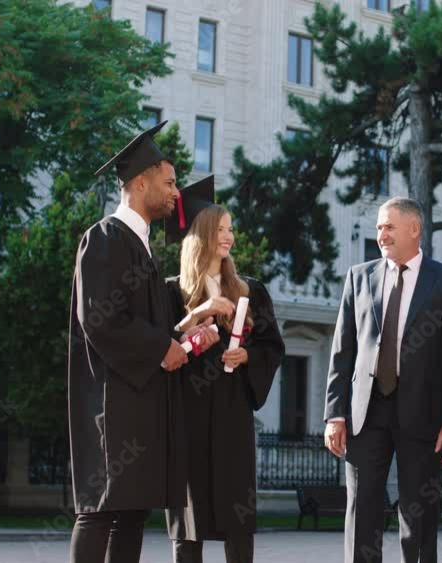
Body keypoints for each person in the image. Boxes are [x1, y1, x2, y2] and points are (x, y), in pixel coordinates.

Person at [68, 121, 218, 563]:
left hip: (141, 399)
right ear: (140, 182)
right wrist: (162, 348)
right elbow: (100, 319)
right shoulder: (106, 238)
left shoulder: (142, 247)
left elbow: (142, 322)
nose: (177, 193)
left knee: (131, 511)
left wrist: (183, 337)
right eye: (169, 183)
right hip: (112, 403)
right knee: (101, 509)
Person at [323, 196, 442, 563]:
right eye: (378, 227)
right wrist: (334, 414)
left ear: (414, 229)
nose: (381, 234)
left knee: (418, 512)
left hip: (422, 415)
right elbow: (343, 351)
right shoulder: (359, 277)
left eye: (389, 226)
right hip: (366, 413)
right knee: (362, 510)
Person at [163, 176, 285, 563]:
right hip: (189, 414)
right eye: (220, 229)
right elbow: (159, 351)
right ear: (201, 234)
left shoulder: (251, 291)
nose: (229, 237)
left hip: (233, 414)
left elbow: (272, 346)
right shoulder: (170, 292)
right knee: (188, 516)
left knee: (237, 514)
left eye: (230, 229)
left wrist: (247, 356)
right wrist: (194, 321)